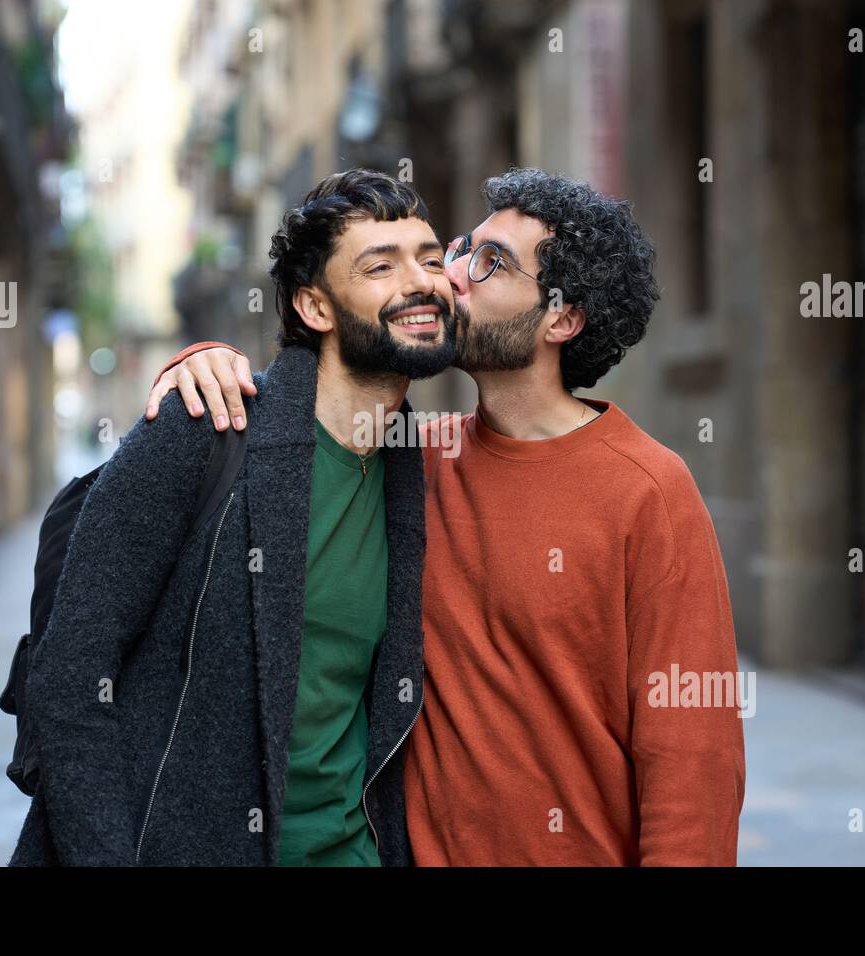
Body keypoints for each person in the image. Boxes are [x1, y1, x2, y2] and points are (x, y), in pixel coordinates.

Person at [147, 167, 747, 865]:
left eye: (491, 263)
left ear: (562, 317)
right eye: (463, 249)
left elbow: (693, 763)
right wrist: (204, 364)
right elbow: (308, 415)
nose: (452, 276)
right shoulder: (409, 460)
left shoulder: (650, 492)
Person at [10, 168, 456, 866]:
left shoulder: (418, 466)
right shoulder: (205, 426)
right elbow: (70, 675)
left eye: (431, 258)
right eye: (382, 265)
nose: (422, 280)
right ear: (315, 307)